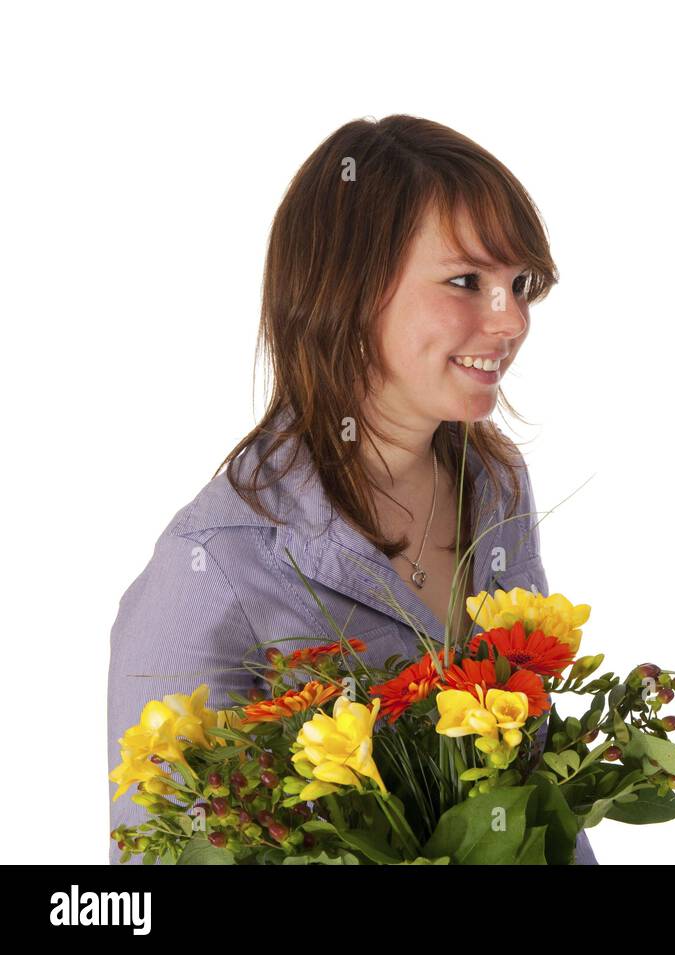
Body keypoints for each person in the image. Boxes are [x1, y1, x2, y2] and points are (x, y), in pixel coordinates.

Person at [107, 115, 598, 865]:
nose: (512, 320)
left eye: (519, 284)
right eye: (468, 280)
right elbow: (150, 863)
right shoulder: (213, 565)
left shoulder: (495, 488)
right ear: (351, 290)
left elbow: (533, 799)